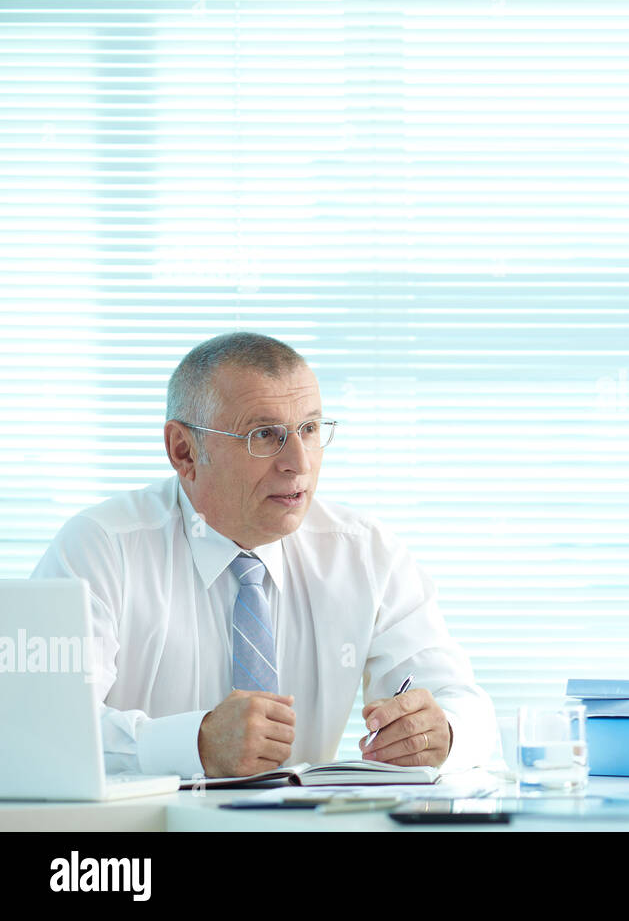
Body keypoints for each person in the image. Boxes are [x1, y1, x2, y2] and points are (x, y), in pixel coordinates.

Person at [32, 333, 499, 778]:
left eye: (310, 429)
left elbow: (466, 707)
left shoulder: (365, 553)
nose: (299, 461)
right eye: (264, 435)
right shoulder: (99, 547)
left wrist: (443, 733)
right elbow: (42, 730)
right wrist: (193, 743)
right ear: (184, 450)